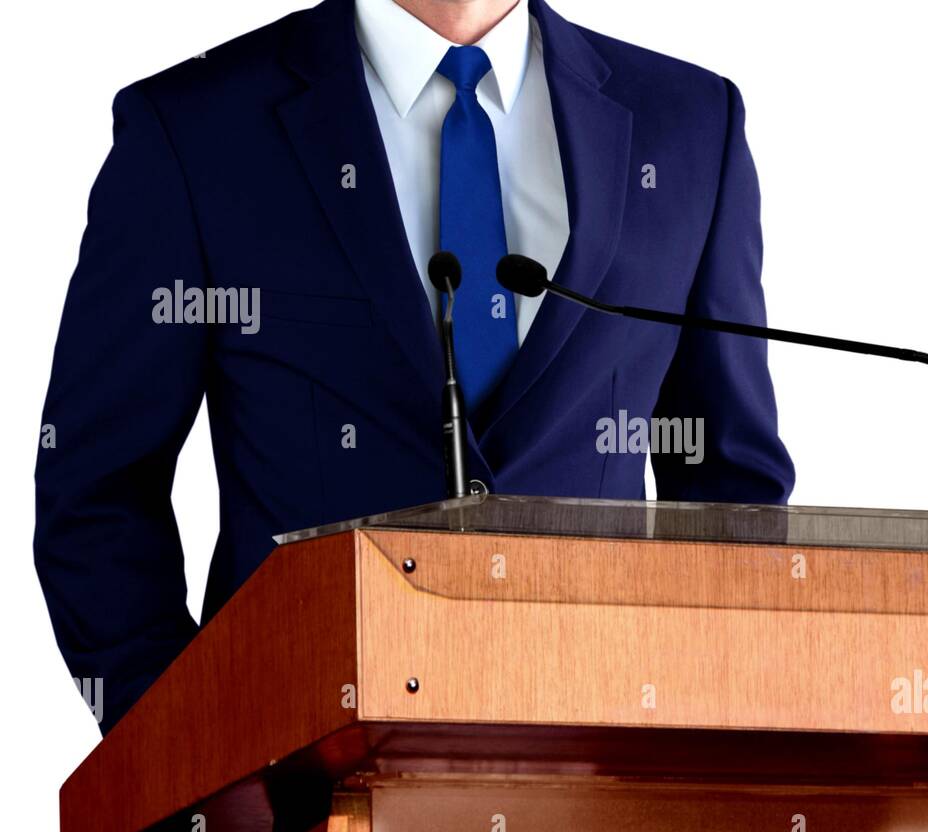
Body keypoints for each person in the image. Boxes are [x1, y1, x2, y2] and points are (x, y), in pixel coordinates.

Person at [34, 0, 795, 735]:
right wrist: (198, 751)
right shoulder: (196, 128)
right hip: (304, 814)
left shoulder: (693, 125)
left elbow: (728, 485)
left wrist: (702, 743)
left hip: (608, 799)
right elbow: (98, 487)